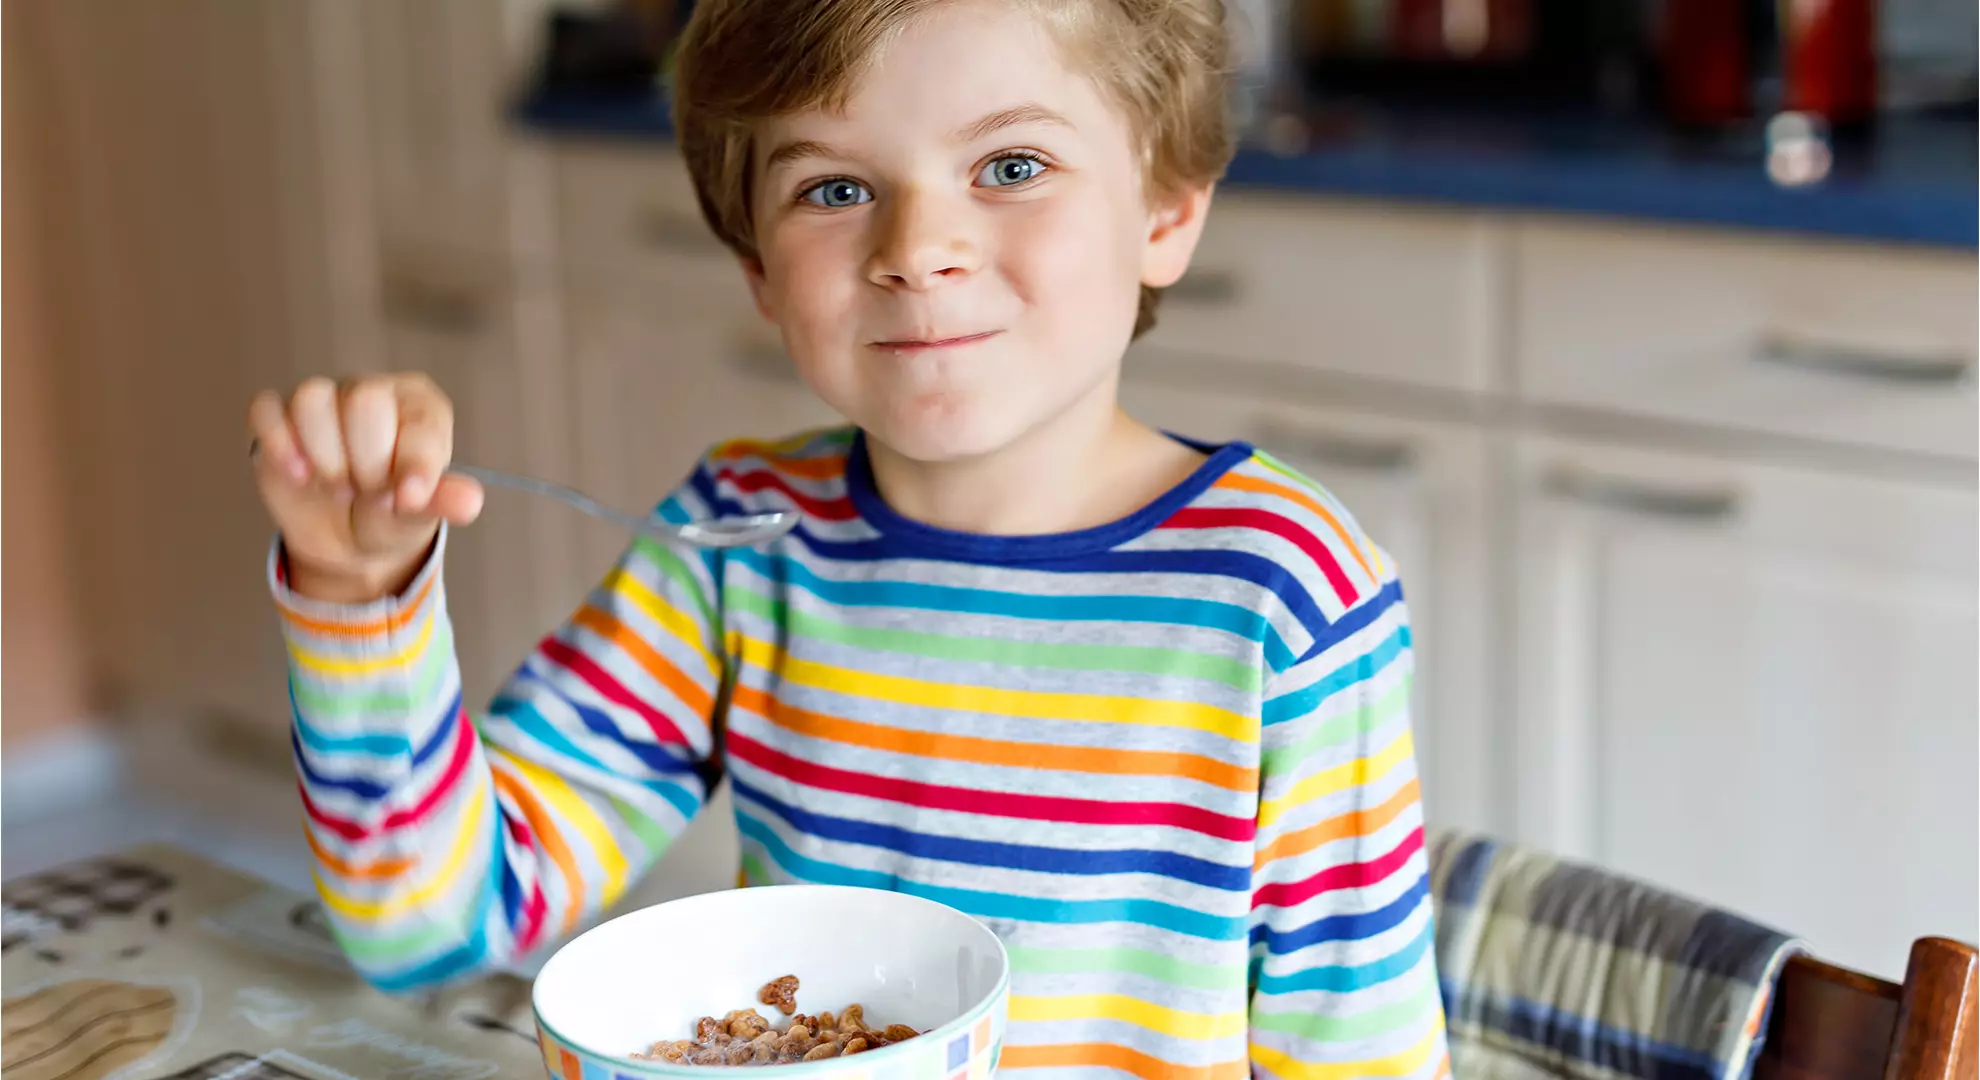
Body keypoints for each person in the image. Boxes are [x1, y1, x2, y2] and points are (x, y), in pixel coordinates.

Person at [246, 1, 1450, 1076]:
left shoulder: (1285, 595)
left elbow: (1363, 1058)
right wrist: (362, 597)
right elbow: (429, 929)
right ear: (760, 269)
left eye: (1012, 164)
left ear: (1168, 212)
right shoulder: (733, 547)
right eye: (835, 188)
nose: (916, 250)